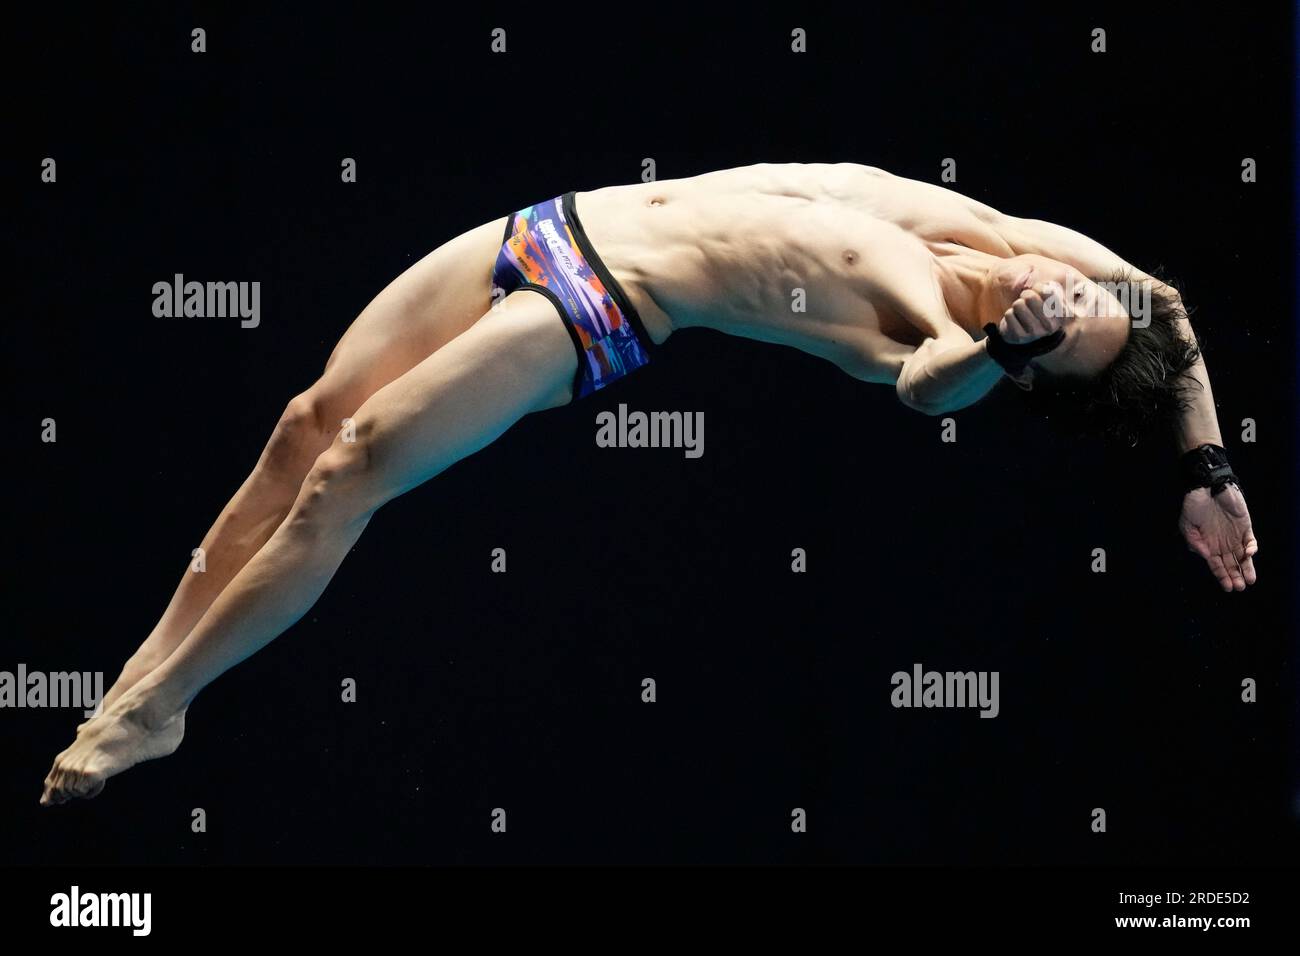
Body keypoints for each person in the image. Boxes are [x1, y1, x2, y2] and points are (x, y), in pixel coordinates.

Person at [40, 162, 1258, 806]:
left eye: (1062, 329)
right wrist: (1204, 463)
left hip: (591, 311)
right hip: (553, 223)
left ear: (1040, 365)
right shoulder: (1000, 230)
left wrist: (1004, 347)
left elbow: (926, 390)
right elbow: (1174, 309)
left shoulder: (936, 326)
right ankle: (148, 672)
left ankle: (163, 708)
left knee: (345, 476)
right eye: (1080, 294)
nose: (1062, 296)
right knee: (300, 426)